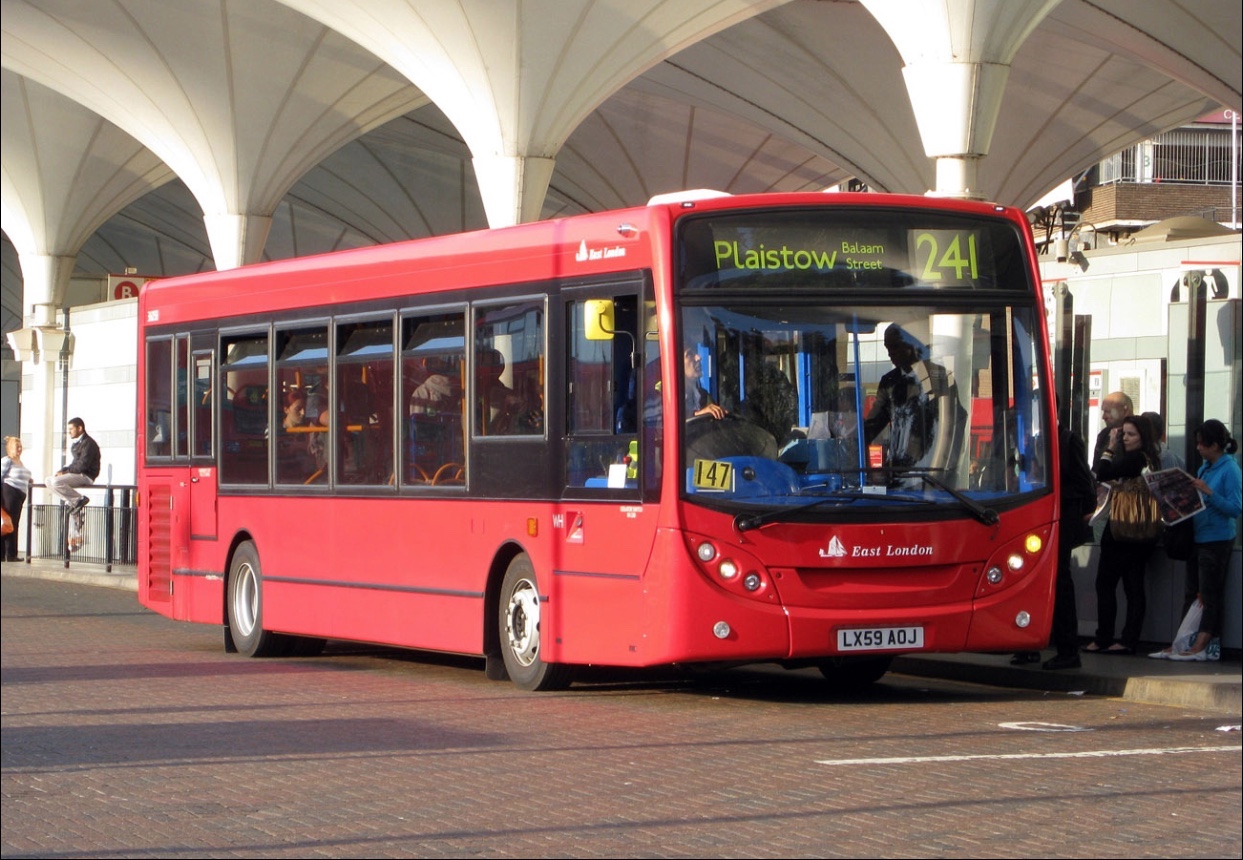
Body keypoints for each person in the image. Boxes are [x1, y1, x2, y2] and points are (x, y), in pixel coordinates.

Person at [1085, 413, 1161, 655]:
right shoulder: (1150, 458)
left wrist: (1109, 447)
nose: (1125, 439)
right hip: (1141, 532)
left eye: (1131, 434)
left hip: (1122, 530)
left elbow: (1102, 471)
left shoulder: (1135, 459)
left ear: (1142, 436)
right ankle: (1128, 638)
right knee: (1133, 586)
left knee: (1106, 583)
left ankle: (1106, 637)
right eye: (1124, 434)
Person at [1165, 420, 1241, 661]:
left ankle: (1202, 641)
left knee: (1209, 592)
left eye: (1202, 444)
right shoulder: (1205, 468)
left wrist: (1209, 492)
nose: (1198, 448)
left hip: (1217, 538)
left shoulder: (1230, 470)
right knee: (1192, 591)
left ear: (1215, 446)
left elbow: (1235, 508)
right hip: (1198, 536)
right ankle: (1183, 640)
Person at [863, 324, 954, 473]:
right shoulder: (889, 381)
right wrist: (854, 438)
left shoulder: (939, 377)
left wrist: (947, 465)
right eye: (888, 348)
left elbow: (954, 423)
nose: (890, 354)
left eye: (895, 347)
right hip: (898, 468)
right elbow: (874, 423)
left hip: (930, 468)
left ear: (911, 346)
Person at [46, 417, 101, 517]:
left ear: (79, 428)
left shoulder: (88, 444)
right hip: (79, 473)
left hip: (86, 476)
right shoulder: (77, 444)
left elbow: (82, 465)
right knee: (48, 480)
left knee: (56, 481)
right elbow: (75, 463)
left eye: (71, 429)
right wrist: (63, 470)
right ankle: (72, 501)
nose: (69, 432)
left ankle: (79, 499)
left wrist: (66, 472)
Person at [2, 436, 33, 562]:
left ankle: (10, 553)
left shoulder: (20, 463)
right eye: (17, 446)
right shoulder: (7, 460)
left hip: (19, 495)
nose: (19, 449)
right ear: (10, 448)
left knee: (14, 523)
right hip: (9, 492)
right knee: (8, 523)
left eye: (20, 447)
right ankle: (9, 554)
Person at [1091, 391, 1132, 472]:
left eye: (1108, 412)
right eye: (1103, 411)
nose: (1103, 417)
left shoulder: (1140, 431)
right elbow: (1096, 467)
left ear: (1125, 411)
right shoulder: (1104, 434)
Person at [683, 347, 725, 420]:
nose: (698, 358)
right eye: (689, 354)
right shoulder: (665, 398)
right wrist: (698, 414)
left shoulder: (704, 395)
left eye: (696, 353)